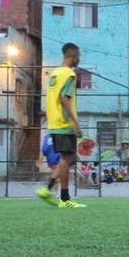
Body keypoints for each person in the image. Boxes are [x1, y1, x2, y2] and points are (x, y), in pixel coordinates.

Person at [37, 42, 86, 209]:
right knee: (66, 159)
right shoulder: (69, 74)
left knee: (72, 158)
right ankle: (64, 199)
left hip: (55, 122)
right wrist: (76, 123)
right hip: (64, 123)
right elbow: (64, 99)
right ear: (71, 56)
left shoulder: (55, 74)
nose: (79, 58)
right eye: (78, 55)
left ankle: (48, 188)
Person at [40, 129, 61, 199]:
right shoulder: (61, 135)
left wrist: (41, 158)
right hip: (58, 158)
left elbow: (44, 149)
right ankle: (49, 190)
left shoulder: (47, 136)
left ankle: (55, 193)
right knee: (58, 178)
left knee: (57, 177)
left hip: (51, 159)